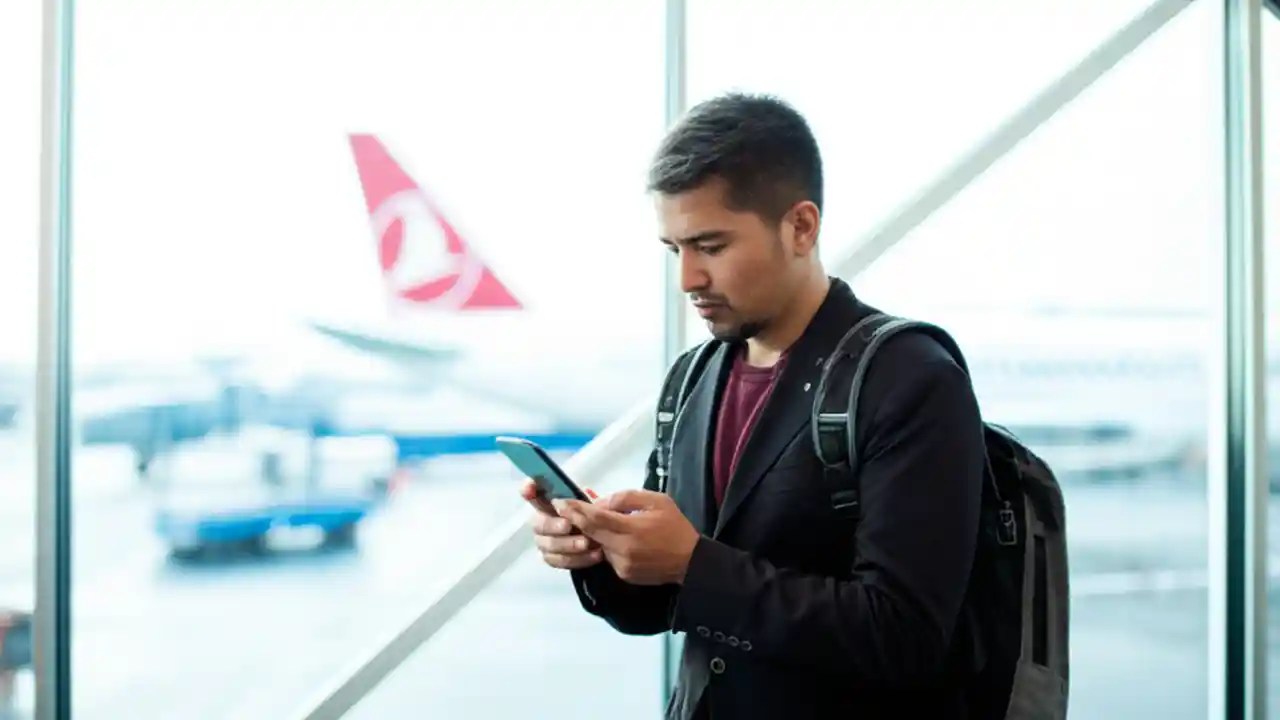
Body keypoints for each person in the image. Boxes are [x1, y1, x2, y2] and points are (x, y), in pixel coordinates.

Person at [521, 92, 987, 719]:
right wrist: (603, 558)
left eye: (710, 247)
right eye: (674, 250)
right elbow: (663, 604)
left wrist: (692, 562)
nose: (687, 279)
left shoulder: (907, 378)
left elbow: (903, 635)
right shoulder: (692, 380)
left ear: (801, 227)